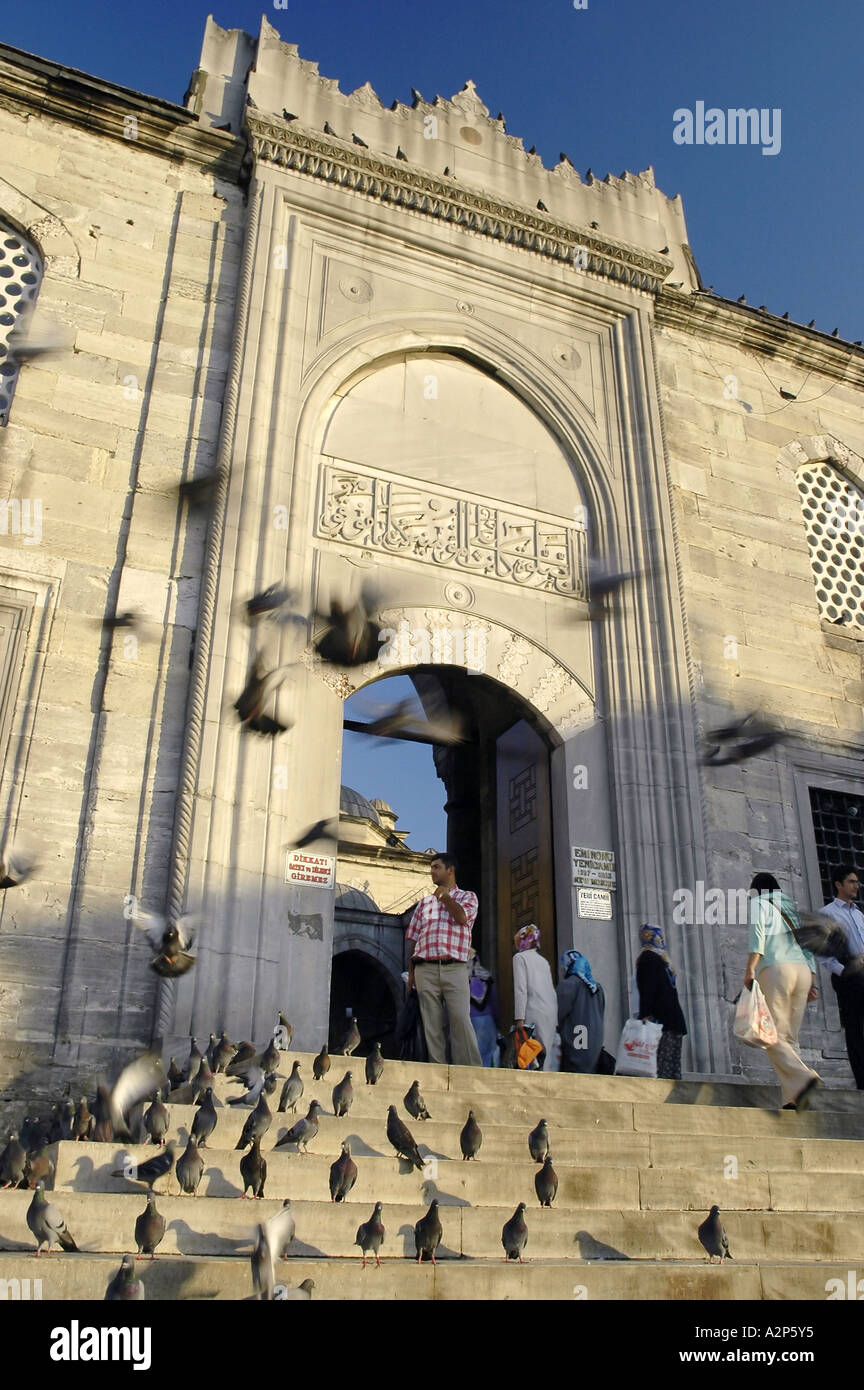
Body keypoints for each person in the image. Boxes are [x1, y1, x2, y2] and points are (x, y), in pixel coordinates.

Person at [745, 872, 821, 1110]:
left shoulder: (759, 903)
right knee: (789, 1037)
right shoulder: (790, 906)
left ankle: (803, 1077)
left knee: (771, 1034)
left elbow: (758, 933)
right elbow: (806, 943)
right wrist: (811, 976)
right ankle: (793, 1097)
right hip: (801, 972)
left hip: (776, 969)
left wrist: (750, 968)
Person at [405, 852, 482, 1067]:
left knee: (460, 1019)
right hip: (425, 968)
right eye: (431, 868)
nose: (432, 871)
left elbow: (462, 918)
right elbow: (413, 937)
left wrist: (445, 897)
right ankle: (437, 1068)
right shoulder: (424, 904)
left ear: (450, 870)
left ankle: (468, 1070)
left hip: (454, 967)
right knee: (431, 1023)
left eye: (436, 867)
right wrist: (411, 973)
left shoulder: (468, 897)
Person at [817, 864, 864, 1090]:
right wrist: (841, 970)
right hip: (849, 974)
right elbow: (822, 950)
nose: (857, 885)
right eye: (852, 882)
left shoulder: (859, 914)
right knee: (855, 1027)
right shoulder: (827, 913)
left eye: (857, 882)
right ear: (839, 884)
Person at [636, 924, 687, 1080]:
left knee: (658, 1067)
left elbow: (648, 989)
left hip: (660, 1021)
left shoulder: (647, 959)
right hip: (674, 1021)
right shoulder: (663, 960)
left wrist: (644, 1015)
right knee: (671, 1067)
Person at [512, 924, 559, 1072]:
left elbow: (521, 989)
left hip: (533, 1009)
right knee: (547, 1055)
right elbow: (550, 990)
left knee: (532, 1055)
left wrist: (519, 1018)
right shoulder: (543, 961)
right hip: (550, 1012)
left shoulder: (519, 958)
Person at [557, 949, 606, 1073]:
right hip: (594, 1043)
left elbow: (557, 1015)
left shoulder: (568, 985)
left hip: (575, 1043)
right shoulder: (597, 988)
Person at [468, 951, 499, 1067]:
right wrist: (497, 1021)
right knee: (488, 1054)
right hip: (487, 1020)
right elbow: (493, 1001)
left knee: (472, 1055)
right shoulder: (486, 976)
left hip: (470, 1020)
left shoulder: (462, 977)